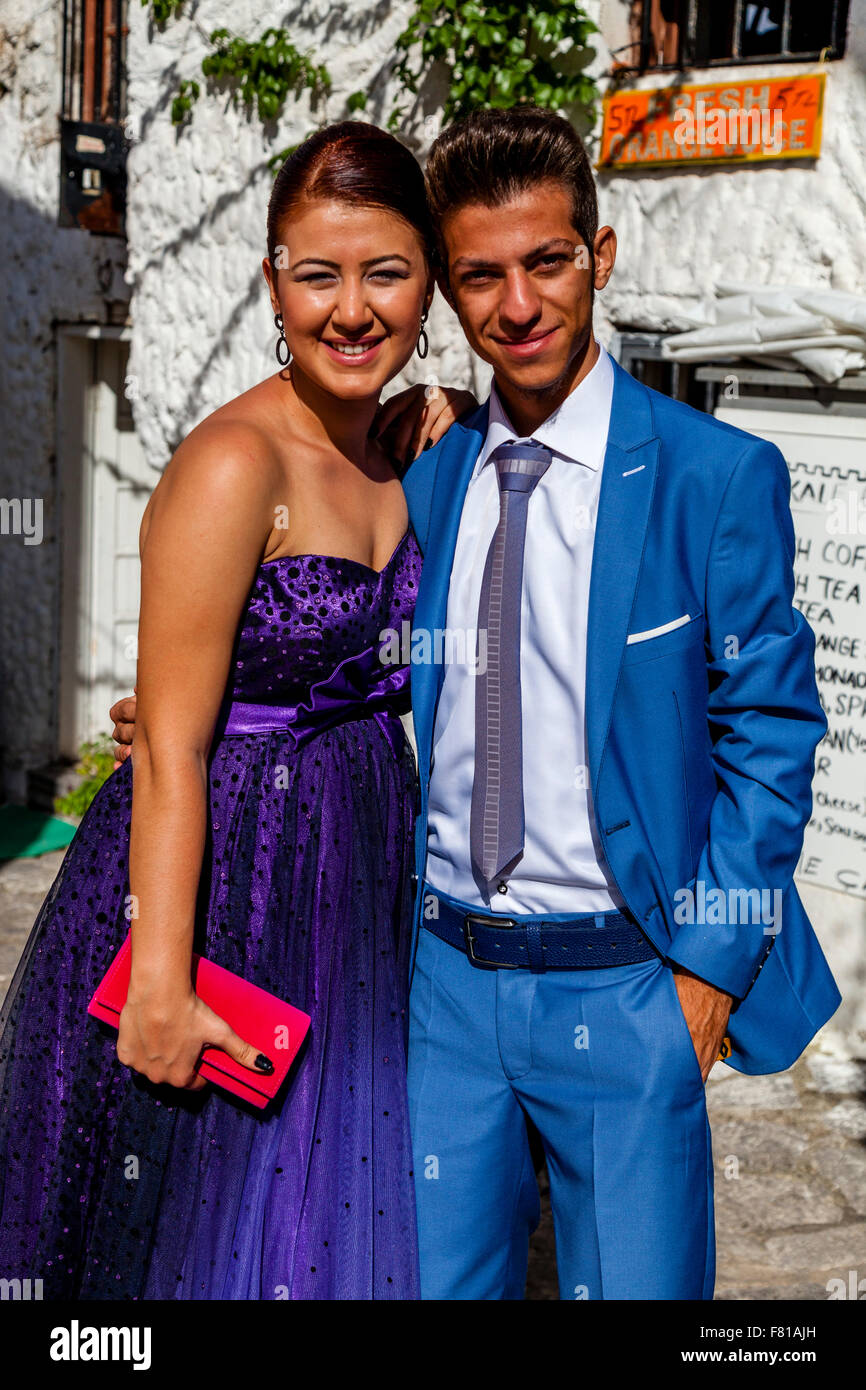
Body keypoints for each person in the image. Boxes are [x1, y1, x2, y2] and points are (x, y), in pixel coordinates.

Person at [0, 121, 473, 1300]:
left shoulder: (407, 442)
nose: (351, 309)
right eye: (317, 274)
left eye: (385, 272)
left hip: (354, 869)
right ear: (272, 282)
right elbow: (169, 741)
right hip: (223, 882)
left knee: (316, 1193)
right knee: (195, 1215)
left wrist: (448, 412)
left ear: (428, 283)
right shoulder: (231, 464)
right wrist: (159, 977)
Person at [398, 107, 840, 1300]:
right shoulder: (425, 475)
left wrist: (706, 964)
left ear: (598, 252)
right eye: (479, 275)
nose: (518, 303)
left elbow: (771, 735)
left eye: (545, 260)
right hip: (441, 980)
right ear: (448, 288)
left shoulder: (712, 474)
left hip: (627, 976)